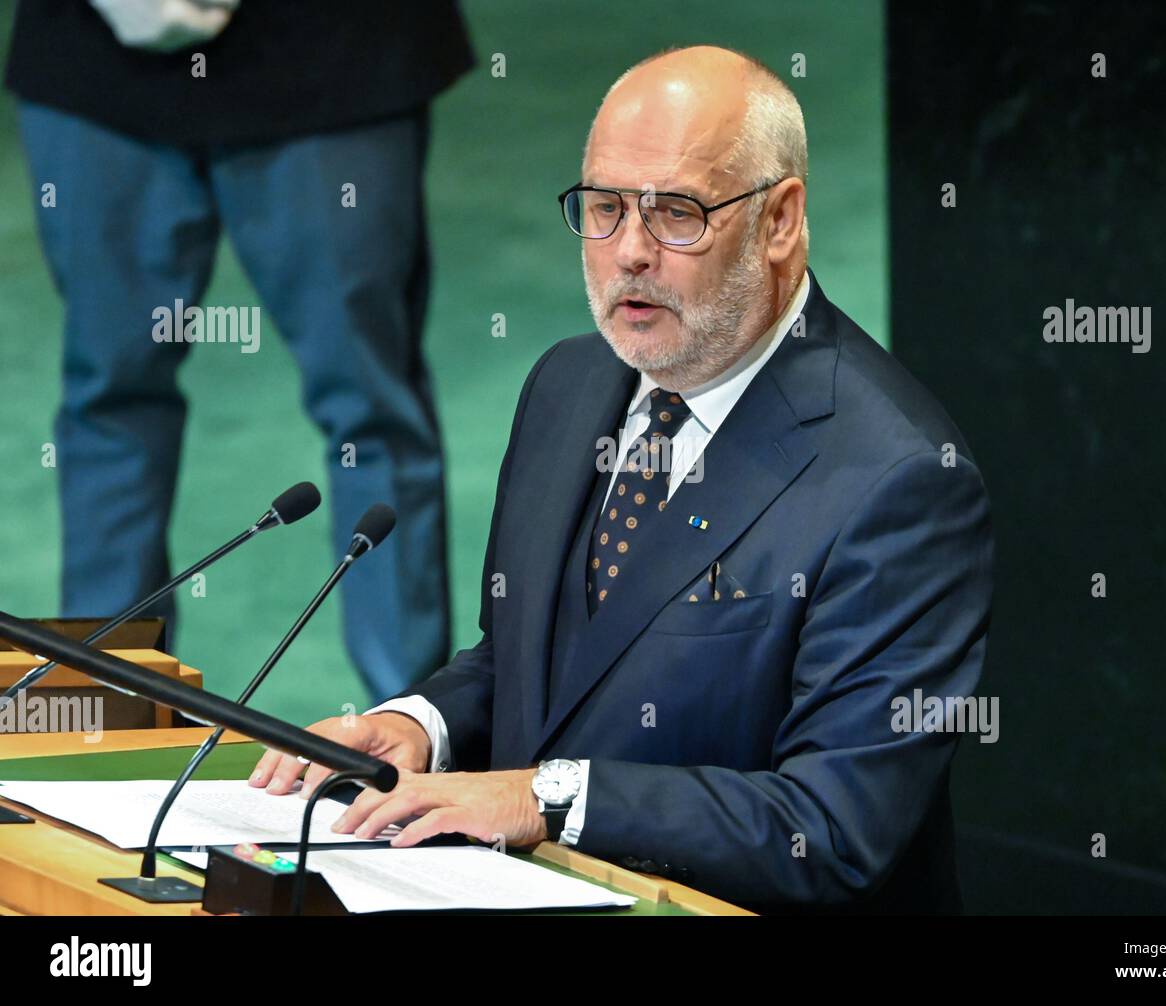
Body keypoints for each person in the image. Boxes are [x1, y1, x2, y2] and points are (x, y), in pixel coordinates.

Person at [251, 45, 995, 913]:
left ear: (782, 220)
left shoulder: (898, 481)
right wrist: (425, 724)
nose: (629, 252)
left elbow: (831, 829)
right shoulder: (568, 384)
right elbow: (532, 666)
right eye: (604, 208)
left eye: (676, 213)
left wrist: (549, 798)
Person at [5, 0, 474, 698]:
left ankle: (413, 736)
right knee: (109, 396)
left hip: (337, 57)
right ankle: (104, 723)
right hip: (94, 62)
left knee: (371, 406)